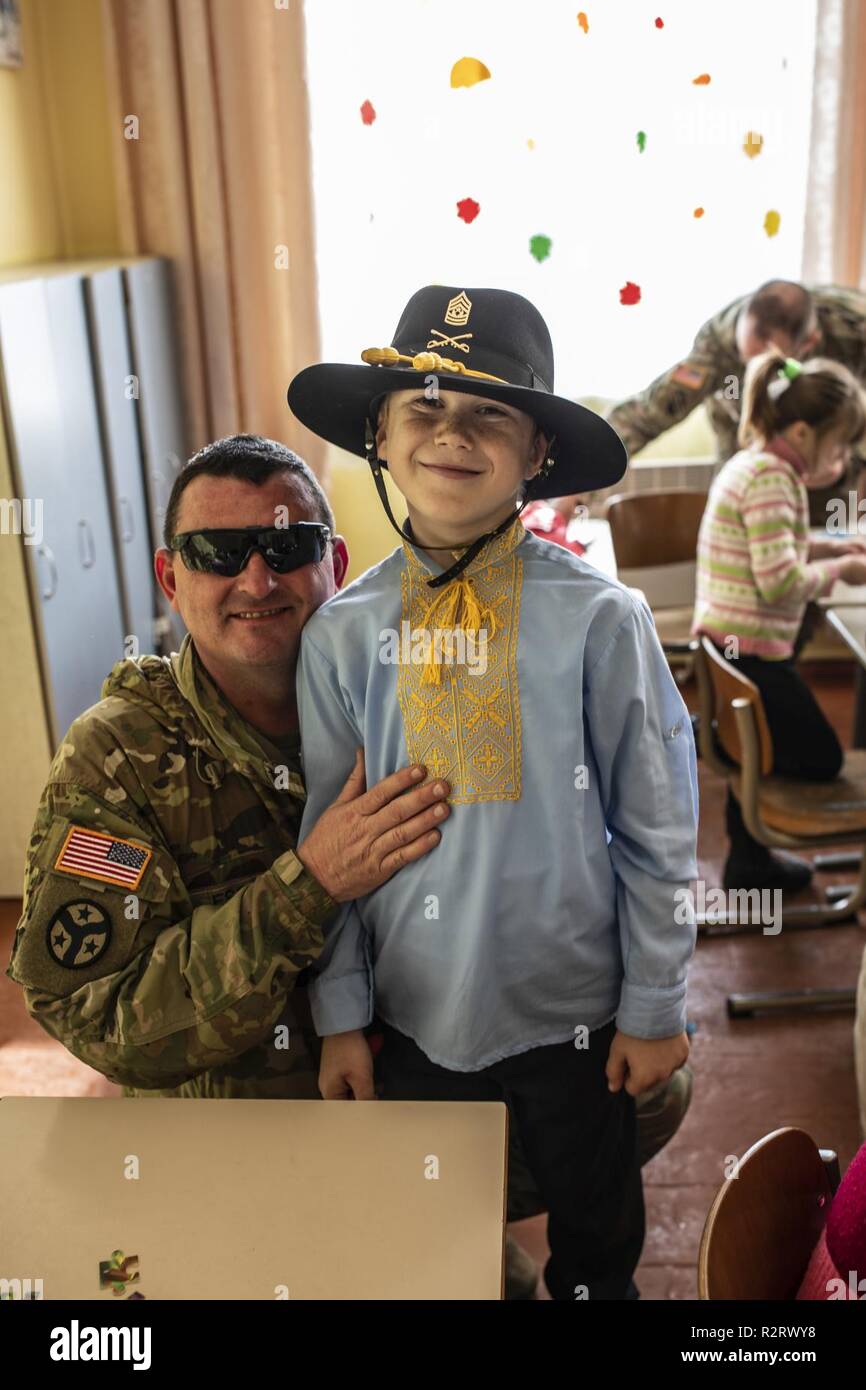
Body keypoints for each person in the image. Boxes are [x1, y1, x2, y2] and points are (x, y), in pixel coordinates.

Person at [287, 284, 700, 1300]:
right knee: (436, 1243)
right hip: (418, 1014)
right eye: (421, 408)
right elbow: (326, 840)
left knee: (597, 1239)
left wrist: (651, 1002)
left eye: (486, 415)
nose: (450, 435)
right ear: (379, 437)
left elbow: (656, 823)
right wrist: (340, 1012)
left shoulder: (600, 619)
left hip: (576, 1015)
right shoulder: (341, 635)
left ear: (536, 454)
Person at [5, 435, 452, 1099]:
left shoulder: (414, 702)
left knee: (639, 1095)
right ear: (171, 580)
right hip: (237, 1121)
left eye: (286, 547)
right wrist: (313, 883)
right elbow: (97, 1013)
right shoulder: (118, 757)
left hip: (414, 1078)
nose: (256, 580)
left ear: (335, 563)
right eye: (216, 553)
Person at [692, 351, 866, 893]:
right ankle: (707, 736)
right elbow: (779, 582)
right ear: (801, 431)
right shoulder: (774, 479)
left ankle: (749, 863)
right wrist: (841, 567)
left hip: (733, 648)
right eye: (838, 445)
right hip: (753, 655)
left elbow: (774, 543)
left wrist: (827, 543)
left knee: (759, 746)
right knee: (819, 758)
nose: (841, 459)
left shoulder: (755, 463)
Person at [554, 280, 866, 527]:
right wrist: (580, 478)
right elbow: (649, 413)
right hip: (744, 441)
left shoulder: (853, 328)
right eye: (747, 358)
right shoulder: (717, 346)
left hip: (835, 450)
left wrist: (850, 457)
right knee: (747, 521)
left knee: (830, 540)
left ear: (809, 343)